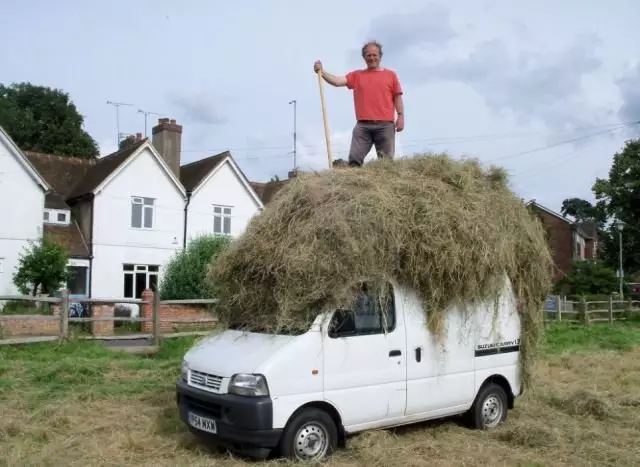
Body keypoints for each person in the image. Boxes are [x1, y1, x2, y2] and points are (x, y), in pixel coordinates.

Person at [314, 41, 404, 167]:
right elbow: (337, 81)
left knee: (386, 163)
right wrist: (322, 72)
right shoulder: (357, 75)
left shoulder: (390, 75)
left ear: (380, 56)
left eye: (374, 55)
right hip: (363, 126)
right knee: (354, 160)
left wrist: (400, 116)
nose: (372, 58)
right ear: (364, 57)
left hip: (385, 125)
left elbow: (397, 97)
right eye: (368, 55)